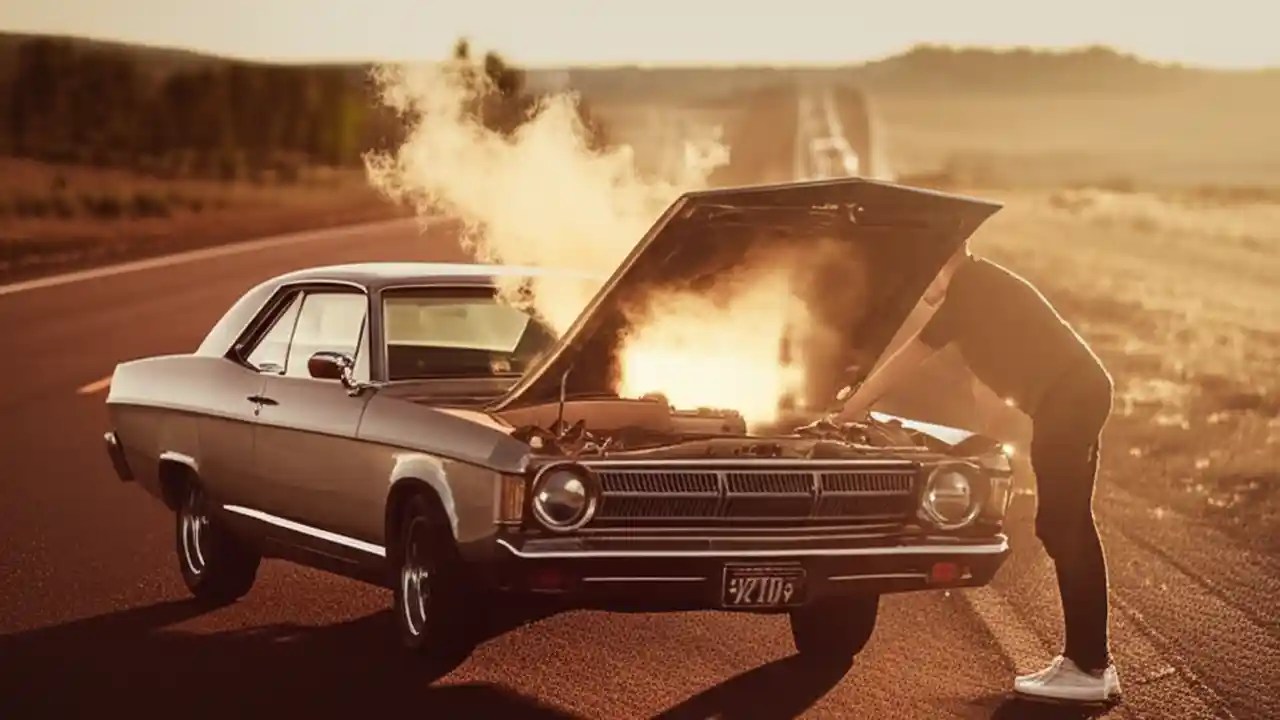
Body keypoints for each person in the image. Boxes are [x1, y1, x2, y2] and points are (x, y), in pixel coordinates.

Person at [836, 243, 1120, 704]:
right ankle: (1092, 663)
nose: (914, 288)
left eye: (918, 272)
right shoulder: (980, 288)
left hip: (1069, 401)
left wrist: (852, 407)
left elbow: (910, 357)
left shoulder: (968, 290)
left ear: (938, 261)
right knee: (1069, 525)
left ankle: (1087, 668)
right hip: (1080, 394)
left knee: (1062, 527)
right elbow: (994, 380)